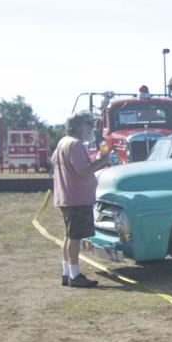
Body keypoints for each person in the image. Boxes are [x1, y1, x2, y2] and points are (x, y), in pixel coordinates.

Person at [52, 112, 111, 287]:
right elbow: (83, 170)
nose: (90, 128)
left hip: (67, 196)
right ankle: (75, 276)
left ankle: (67, 272)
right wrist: (101, 161)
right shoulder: (75, 144)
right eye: (87, 123)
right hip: (77, 197)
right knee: (75, 237)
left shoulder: (63, 142)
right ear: (78, 126)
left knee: (69, 236)